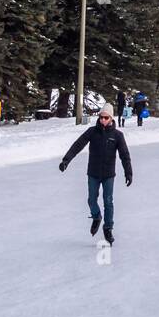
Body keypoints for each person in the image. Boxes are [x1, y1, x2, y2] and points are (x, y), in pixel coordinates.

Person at [59, 104, 132, 245]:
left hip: (108, 174)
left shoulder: (117, 135)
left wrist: (128, 173)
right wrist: (66, 160)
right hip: (93, 173)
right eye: (101, 117)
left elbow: (125, 155)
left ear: (111, 118)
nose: (103, 120)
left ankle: (108, 228)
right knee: (91, 200)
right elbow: (78, 145)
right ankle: (96, 216)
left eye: (106, 117)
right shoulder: (92, 132)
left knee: (108, 202)